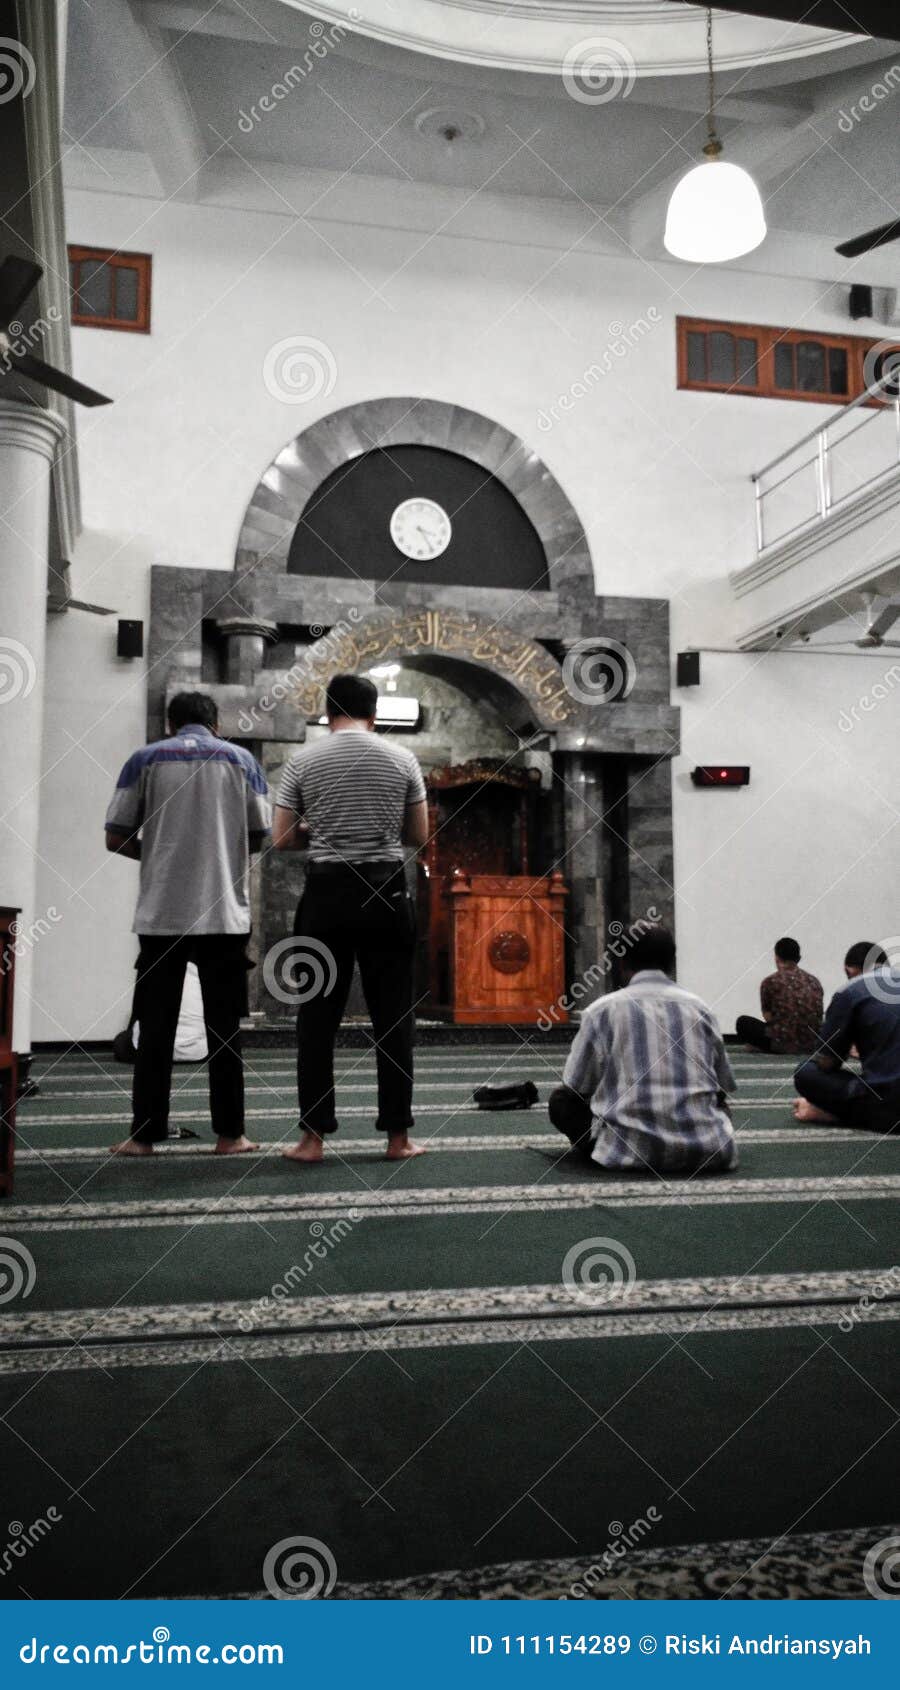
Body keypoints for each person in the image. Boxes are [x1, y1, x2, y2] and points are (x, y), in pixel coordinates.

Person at [104, 691, 270, 1155]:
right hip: (224, 914)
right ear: (215, 723)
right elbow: (257, 837)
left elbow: (115, 836)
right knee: (225, 1029)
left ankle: (144, 1136)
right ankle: (230, 1135)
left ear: (171, 722)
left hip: (162, 914)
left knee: (155, 1027)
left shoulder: (144, 759)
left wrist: (158, 851)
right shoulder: (242, 762)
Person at [272, 672, 429, 1164]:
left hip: (327, 896)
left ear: (327, 711)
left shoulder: (302, 760)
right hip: (385, 891)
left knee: (317, 1017)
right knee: (394, 1018)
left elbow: (281, 840)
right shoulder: (402, 758)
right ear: (374, 713)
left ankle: (312, 1139)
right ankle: (397, 1139)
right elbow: (418, 835)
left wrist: (315, 830)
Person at [548, 925, 736, 1174]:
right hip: (708, 1152)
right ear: (671, 962)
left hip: (627, 1152)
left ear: (623, 963)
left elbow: (575, 1086)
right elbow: (723, 1085)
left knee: (561, 1101)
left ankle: (605, 1146)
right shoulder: (701, 1009)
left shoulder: (601, 1011)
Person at [794, 952, 900, 1133]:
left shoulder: (851, 990)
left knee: (806, 1072)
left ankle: (837, 1115)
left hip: (888, 1107)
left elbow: (827, 1062)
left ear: (848, 970)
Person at [735, 937, 823, 1054]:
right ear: (799, 958)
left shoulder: (770, 982)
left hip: (781, 1043)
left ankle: (762, 1046)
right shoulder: (814, 981)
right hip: (811, 1044)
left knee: (743, 1022)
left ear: (776, 958)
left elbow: (768, 1016)